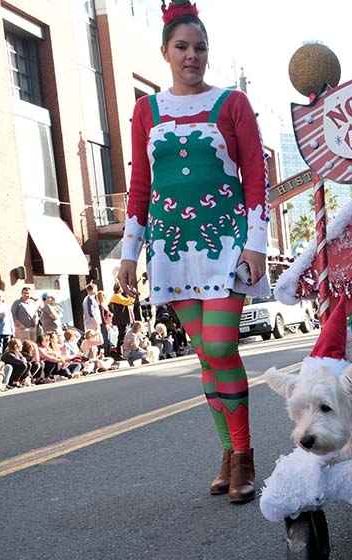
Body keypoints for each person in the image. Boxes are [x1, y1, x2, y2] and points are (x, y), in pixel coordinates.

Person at [116, 0, 269, 504]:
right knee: (206, 355)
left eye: (200, 47)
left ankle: (244, 454)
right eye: (182, 47)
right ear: (164, 52)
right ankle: (226, 452)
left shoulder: (233, 105)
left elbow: (256, 180)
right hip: (171, 247)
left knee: (222, 346)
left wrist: (256, 245)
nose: (192, 56)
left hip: (225, 243)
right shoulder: (146, 111)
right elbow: (141, 186)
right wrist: (128, 253)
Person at [109, 284, 135, 359]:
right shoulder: (117, 296)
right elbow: (127, 302)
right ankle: (118, 352)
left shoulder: (116, 296)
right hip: (121, 320)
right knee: (121, 336)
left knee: (122, 335)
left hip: (120, 319)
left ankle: (119, 351)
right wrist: (133, 296)